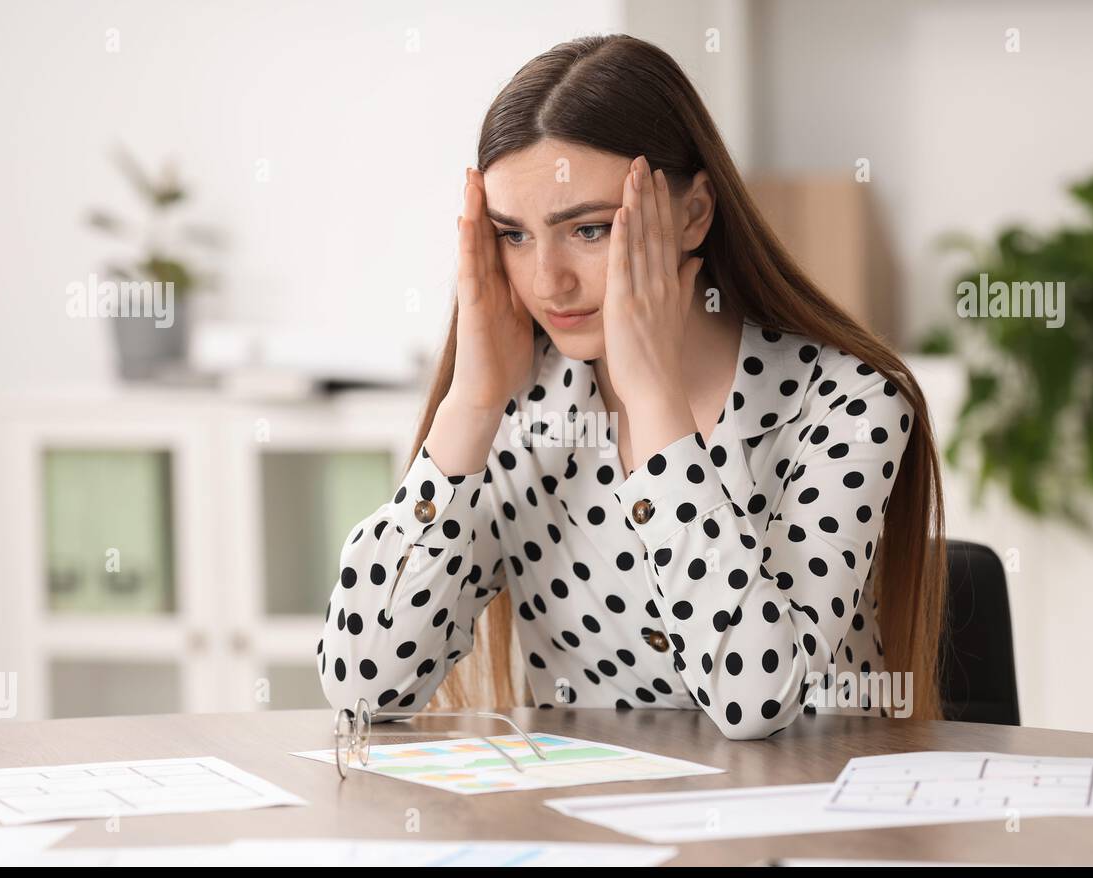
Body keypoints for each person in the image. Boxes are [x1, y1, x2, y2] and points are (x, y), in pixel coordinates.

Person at [316, 34, 946, 740]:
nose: (547, 280)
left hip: (792, 834)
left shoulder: (846, 405)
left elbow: (759, 699)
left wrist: (653, 405)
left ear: (694, 212)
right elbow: (363, 688)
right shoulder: (522, 409)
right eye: (514, 237)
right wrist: (470, 404)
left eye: (586, 230)